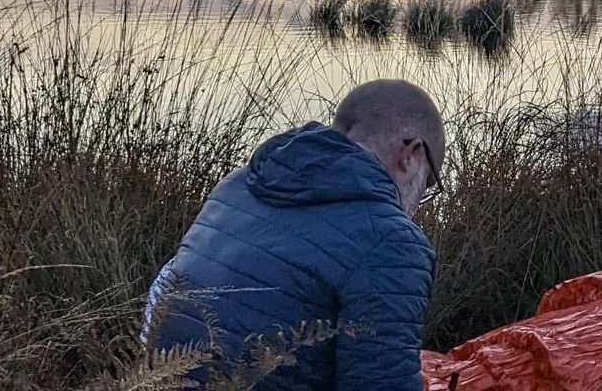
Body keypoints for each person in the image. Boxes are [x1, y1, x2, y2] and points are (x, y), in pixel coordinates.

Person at [142, 80, 445, 391]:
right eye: (428, 184)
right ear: (411, 154)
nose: (418, 205)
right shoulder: (391, 240)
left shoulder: (235, 185)